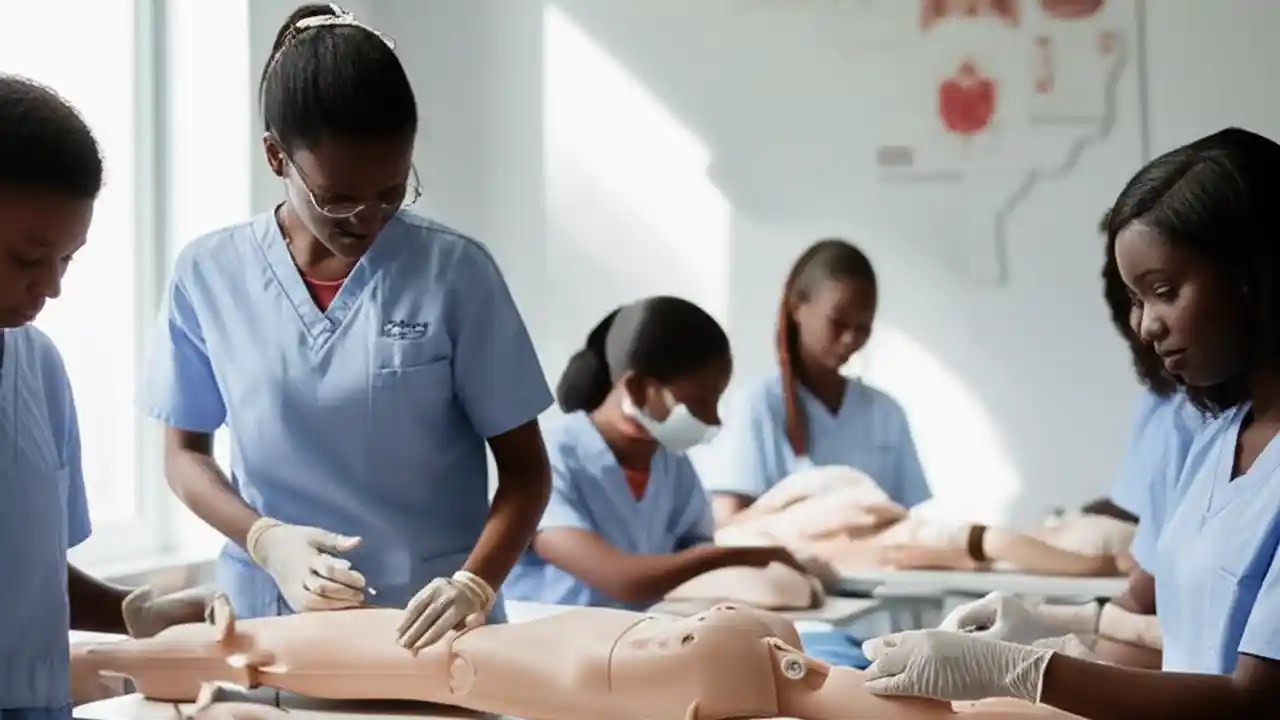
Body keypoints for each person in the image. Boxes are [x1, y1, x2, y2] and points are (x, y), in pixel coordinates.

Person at [138, 4, 552, 653]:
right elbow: (185, 453)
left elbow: (527, 473)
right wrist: (262, 539)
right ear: (275, 154)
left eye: (392, 191)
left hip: (435, 633)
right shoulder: (209, 273)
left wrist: (475, 584)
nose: (367, 218)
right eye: (337, 198)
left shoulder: (454, 273)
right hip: (272, 626)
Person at [858, 128, 1280, 718]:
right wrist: (1071, 629)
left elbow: (1255, 698)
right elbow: (1190, 635)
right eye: (1137, 301)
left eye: (1164, 292)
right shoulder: (1220, 437)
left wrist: (1025, 670)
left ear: (1252, 275)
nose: (1146, 326)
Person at [0, 75, 207, 719]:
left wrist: (132, 610)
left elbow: (33, 575)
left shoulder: (38, 369)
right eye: (28, 258)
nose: (50, 288)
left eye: (66, 260)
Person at [502, 297, 803, 610]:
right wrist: (749, 555)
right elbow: (623, 581)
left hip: (633, 639)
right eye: (700, 401)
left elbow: (694, 550)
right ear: (635, 388)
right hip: (546, 642)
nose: (713, 419)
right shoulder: (549, 457)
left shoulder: (671, 464)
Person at [704, 238, 930, 525]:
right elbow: (727, 525)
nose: (850, 339)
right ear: (798, 307)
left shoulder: (885, 412)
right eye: (838, 323)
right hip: (787, 568)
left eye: (863, 328)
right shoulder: (758, 405)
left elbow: (908, 520)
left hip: (877, 567)